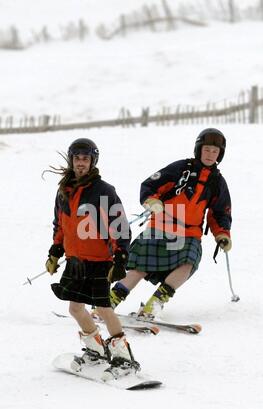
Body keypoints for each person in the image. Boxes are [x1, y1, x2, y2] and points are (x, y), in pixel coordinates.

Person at [109, 128, 232, 319]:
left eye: (215, 151)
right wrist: (151, 201)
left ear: (220, 155)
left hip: (190, 234)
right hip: (160, 226)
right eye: (207, 149)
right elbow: (150, 185)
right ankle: (108, 303)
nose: (210, 154)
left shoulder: (217, 182)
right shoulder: (181, 168)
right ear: (199, 149)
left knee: (188, 264)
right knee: (140, 268)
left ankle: (154, 305)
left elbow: (220, 212)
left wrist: (222, 234)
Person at [45, 138, 139, 380]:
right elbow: (61, 225)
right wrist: (55, 251)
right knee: (75, 308)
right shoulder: (64, 190)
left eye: (85, 159)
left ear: (92, 161)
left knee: (103, 308)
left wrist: (120, 258)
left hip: (99, 259)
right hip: (76, 259)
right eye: (77, 158)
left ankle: (124, 359)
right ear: (71, 160)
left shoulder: (103, 191)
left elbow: (119, 226)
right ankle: (96, 350)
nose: (80, 163)